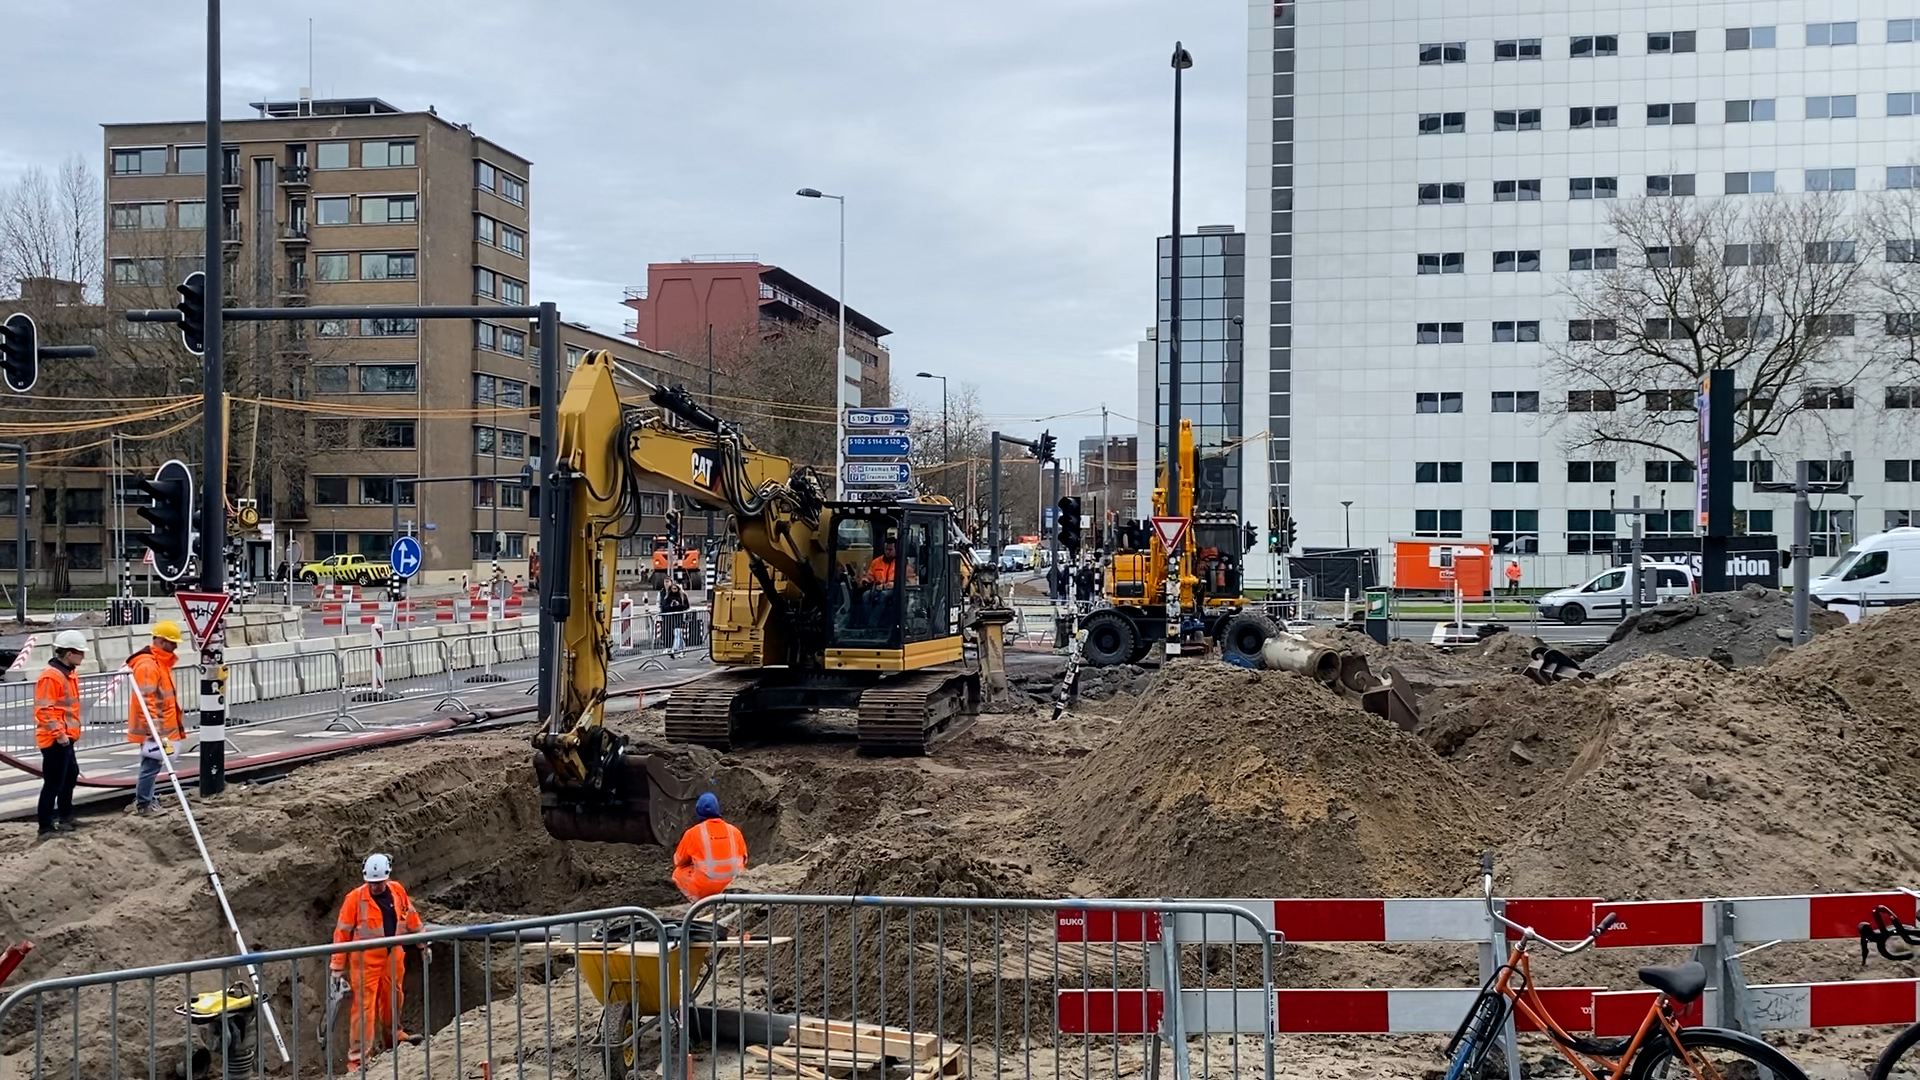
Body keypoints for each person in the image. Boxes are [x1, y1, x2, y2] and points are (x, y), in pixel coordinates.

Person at [330, 854, 425, 1070]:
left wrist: (423, 943)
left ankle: (395, 1038)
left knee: (394, 998)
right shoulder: (354, 899)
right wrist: (337, 967)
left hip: (393, 957)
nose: (375, 887)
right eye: (371, 883)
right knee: (364, 1009)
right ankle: (358, 1059)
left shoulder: (397, 891)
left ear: (387, 878)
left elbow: (411, 918)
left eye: (379, 883)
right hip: (365, 962)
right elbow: (342, 933)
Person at [126, 621, 186, 816]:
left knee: (154, 764)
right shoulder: (148, 665)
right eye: (172, 643)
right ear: (160, 641)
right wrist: (152, 728)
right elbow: (146, 699)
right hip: (154, 727)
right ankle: (144, 803)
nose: (175, 647)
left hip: (161, 726)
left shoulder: (159, 663)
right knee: (150, 765)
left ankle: (149, 800)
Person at [34, 630, 87, 840]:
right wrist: (59, 734)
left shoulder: (68, 673)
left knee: (70, 774)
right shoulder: (51, 676)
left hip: (66, 736)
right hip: (56, 738)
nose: (83, 657)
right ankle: (45, 827)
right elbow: (44, 710)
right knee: (53, 783)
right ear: (69, 653)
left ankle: (66, 816)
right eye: (80, 653)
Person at [673, 792, 747, 903]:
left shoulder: (693, 833)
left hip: (707, 889)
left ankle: (696, 901)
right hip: (733, 885)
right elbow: (744, 858)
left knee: (678, 873)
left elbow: (679, 861)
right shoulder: (734, 831)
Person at [660, 581, 690, 658]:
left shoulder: (682, 596)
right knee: (677, 634)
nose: (674, 590)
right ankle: (682, 650)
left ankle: (674, 650)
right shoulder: (667, 597)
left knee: (678, 633)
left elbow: (686, 606)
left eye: (675, 588)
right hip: (670, 618)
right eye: (673, 588)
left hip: (679, 617)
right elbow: (664, 607)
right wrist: (670, 605)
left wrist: (678, 605)